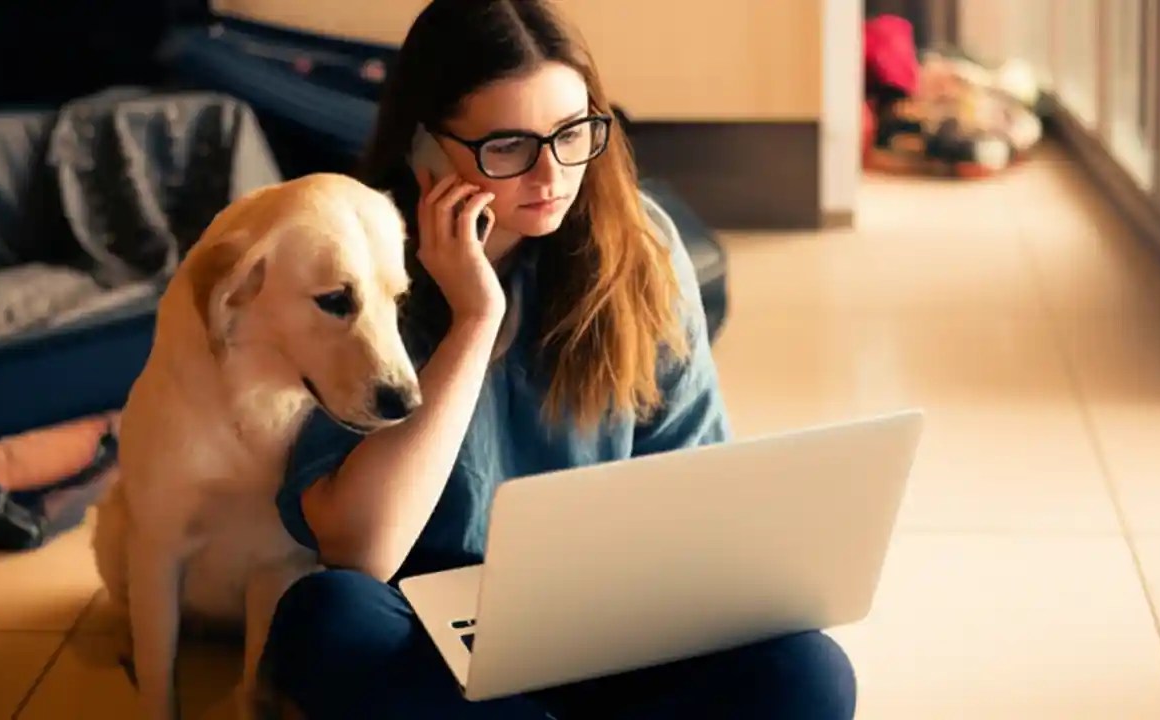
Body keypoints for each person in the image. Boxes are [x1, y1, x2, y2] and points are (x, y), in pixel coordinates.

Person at [260, 0, 857, 717]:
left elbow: (698, 491)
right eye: (509, 146)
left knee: (807, 669)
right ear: (424, 147)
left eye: (573, 134)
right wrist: (475, 320)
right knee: (326, 619)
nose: (551, 176)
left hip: (613, 627)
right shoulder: (357, 267)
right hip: (438, 645)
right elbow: (361, 550)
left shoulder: (639, 248)